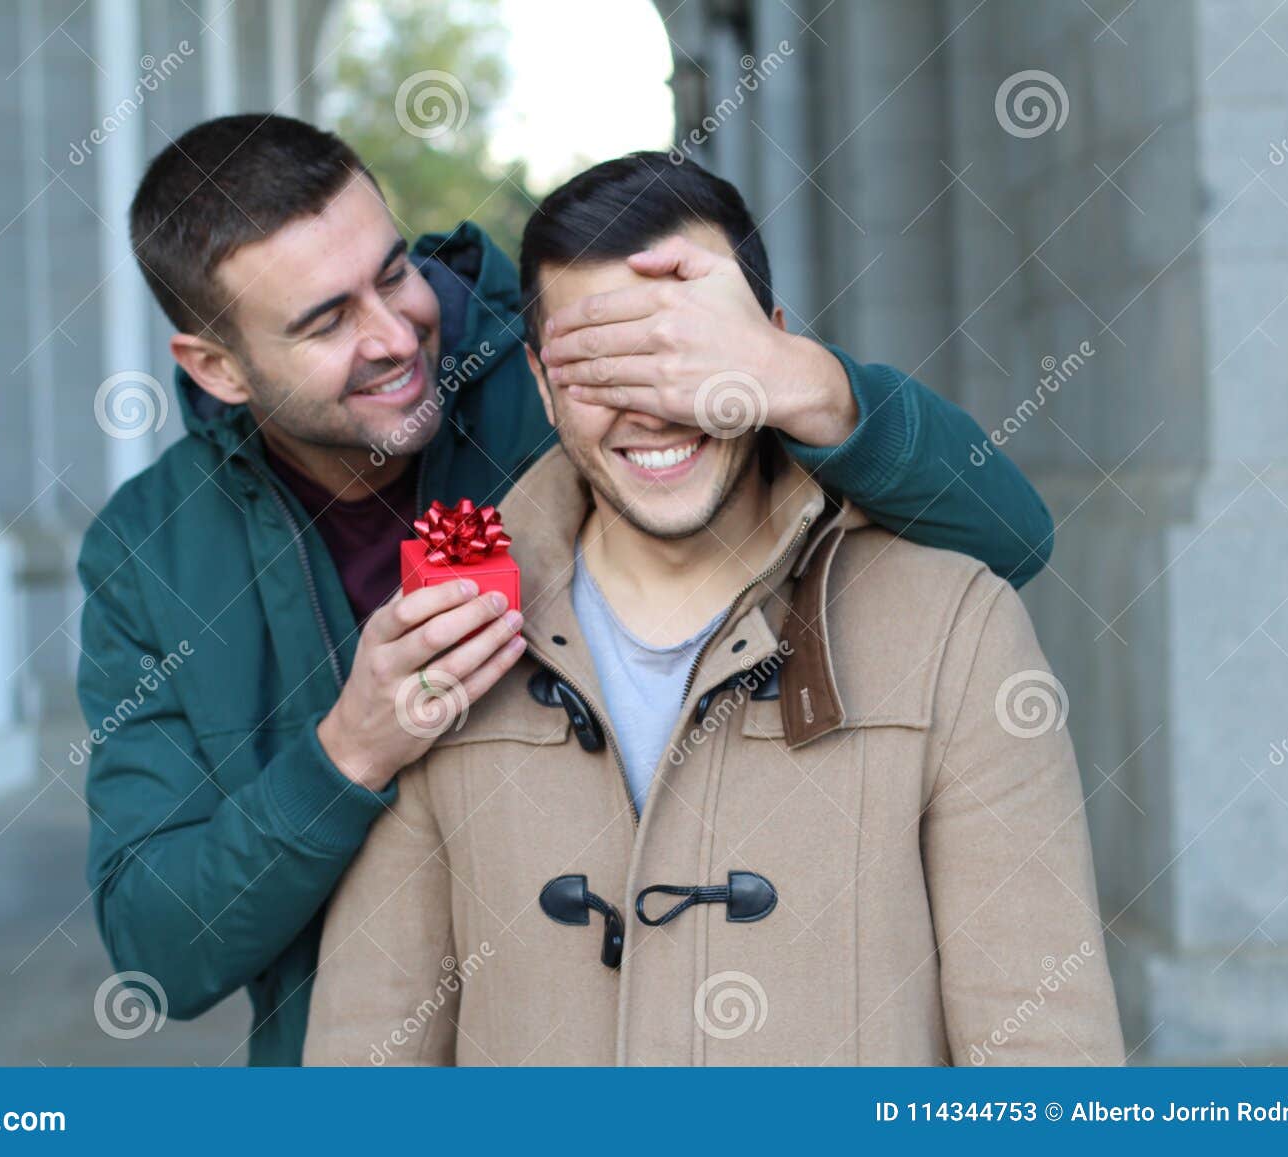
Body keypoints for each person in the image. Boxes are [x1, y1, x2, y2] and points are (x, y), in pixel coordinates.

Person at [79, 115, 1058, 1065]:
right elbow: (161, 955)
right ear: (216, 367)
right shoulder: (149, 554)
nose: (394, 335)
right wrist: (353, 747)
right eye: (326, 320)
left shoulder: (583, 379)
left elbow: (1002, 537)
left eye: (392, 273)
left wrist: (802, 378)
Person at [301, 152, 1121, 1066]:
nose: (653, 405)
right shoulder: (441, 630)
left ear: (768, 344)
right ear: (538, 382)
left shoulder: (955, 626)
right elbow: (368, 1045)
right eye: (599, 364)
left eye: (680, 350)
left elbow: (1043, 1052)